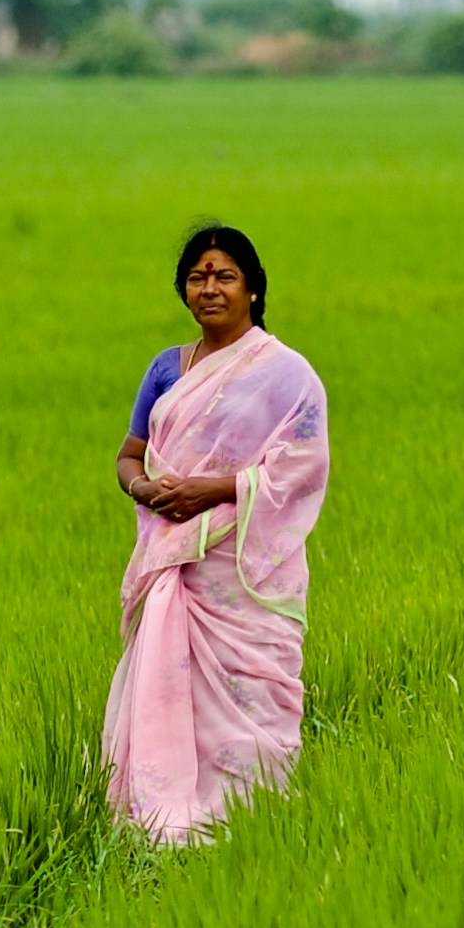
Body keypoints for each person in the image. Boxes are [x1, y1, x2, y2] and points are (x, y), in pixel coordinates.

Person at [104, 223, 331, 842]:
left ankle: (256, 825)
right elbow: (129, 456)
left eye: (225, 276)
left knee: (251, 700)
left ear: (253, 291)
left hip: (243, 578)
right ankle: (163, 820)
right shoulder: (164, 370)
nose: (210, 288)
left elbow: (304, 464)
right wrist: (146, 489)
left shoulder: (285, 374)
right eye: (198, 276)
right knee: (170, 688)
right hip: (175, 564)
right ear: (183, 290)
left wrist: (218, 488)